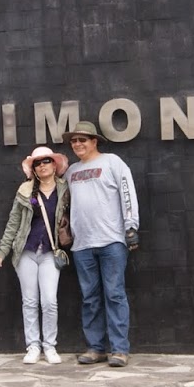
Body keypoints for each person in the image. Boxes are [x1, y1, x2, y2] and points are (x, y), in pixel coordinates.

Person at [62, 121, 140, 367]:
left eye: (82, 139)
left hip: (112, 241)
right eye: (74, 141)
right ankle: (96, 348)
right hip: (82, 245)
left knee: (114, 295)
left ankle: (119, 349)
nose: (78, 144)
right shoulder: (71, 171)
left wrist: (131, 226)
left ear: (94, 141)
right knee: (89, 298)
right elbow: (64, 205)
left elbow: (127, 193)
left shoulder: (112, 162)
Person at [0, 145, 70, 364]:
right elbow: (13, 223)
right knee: (29, 301)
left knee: (49, 301)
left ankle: (50, 346)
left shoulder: (65, 189)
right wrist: (2, 252)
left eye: (46, 161)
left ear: (54, 164)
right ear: (33, 169)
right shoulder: (25, 191)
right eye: (38, 163)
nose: (42, 166)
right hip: (25, 252)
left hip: (50, 252)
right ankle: (33, 346)